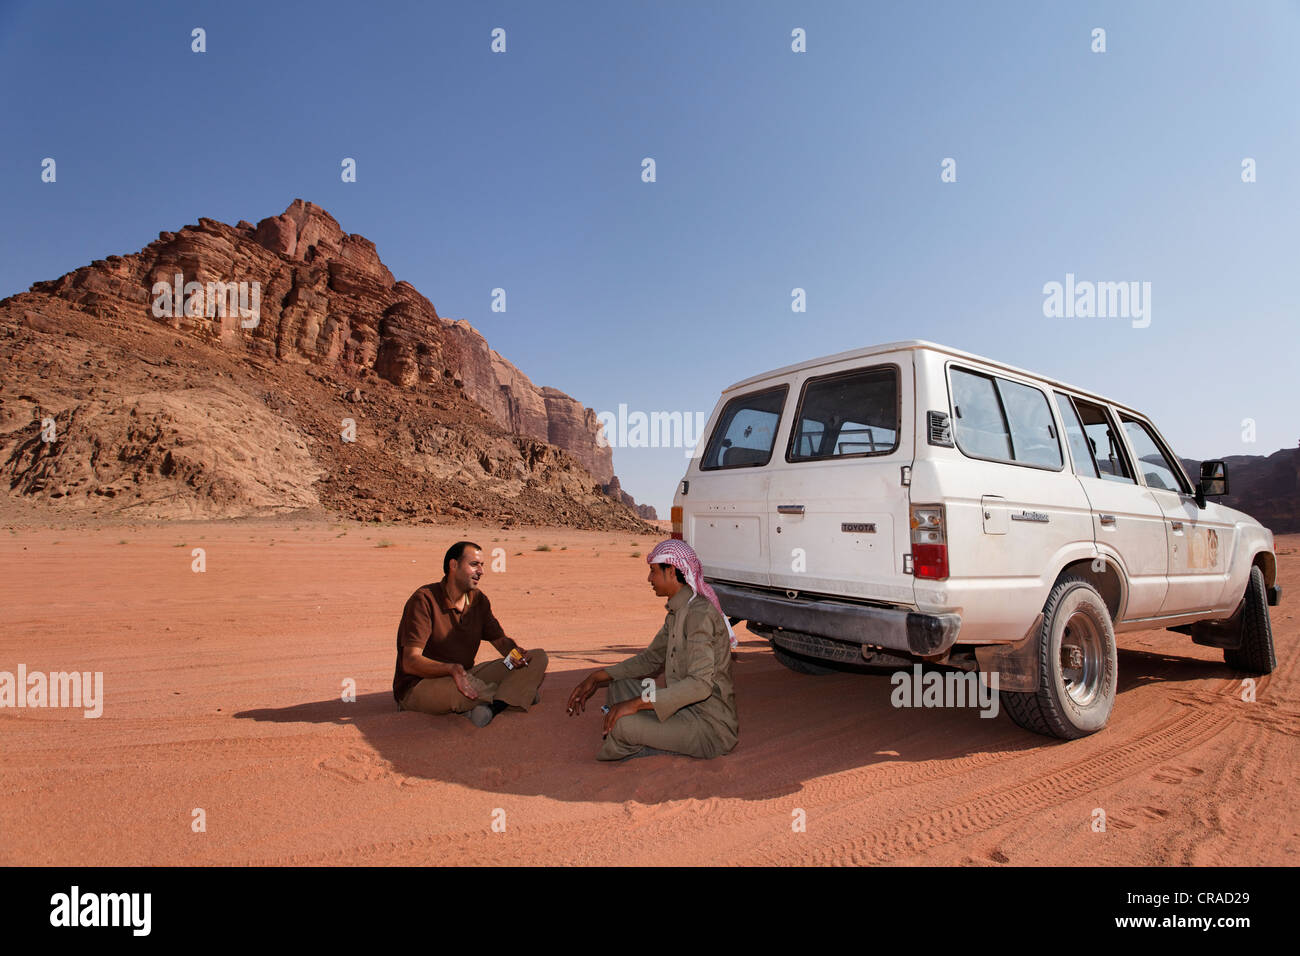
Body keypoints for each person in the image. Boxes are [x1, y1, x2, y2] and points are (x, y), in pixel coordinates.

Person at [566, 539, 738, 760]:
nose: (649, 579)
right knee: (619, 687)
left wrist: (636, 704)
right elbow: (649, 659)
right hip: (681, 708)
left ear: (672, 571)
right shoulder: (677, 612)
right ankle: (643, 735)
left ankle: (633, 742)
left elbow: (699, 685)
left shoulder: (699, 614)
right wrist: (597, 676)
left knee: (623, 725)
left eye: (653, 571)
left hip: (709, 727)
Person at [393, 540, 547, 727]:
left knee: (537, 658)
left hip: (466, 674)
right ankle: (516, 694)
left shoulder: (478, 600)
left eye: (482, 565)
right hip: (420, 685)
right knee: (460, 690)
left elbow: (500, 641)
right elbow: (410, 662)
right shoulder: (424, 600)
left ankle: (495, 704)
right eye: (474, 564)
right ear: (453, 565)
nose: (481, 571)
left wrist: (515, 653)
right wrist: (450, 669)